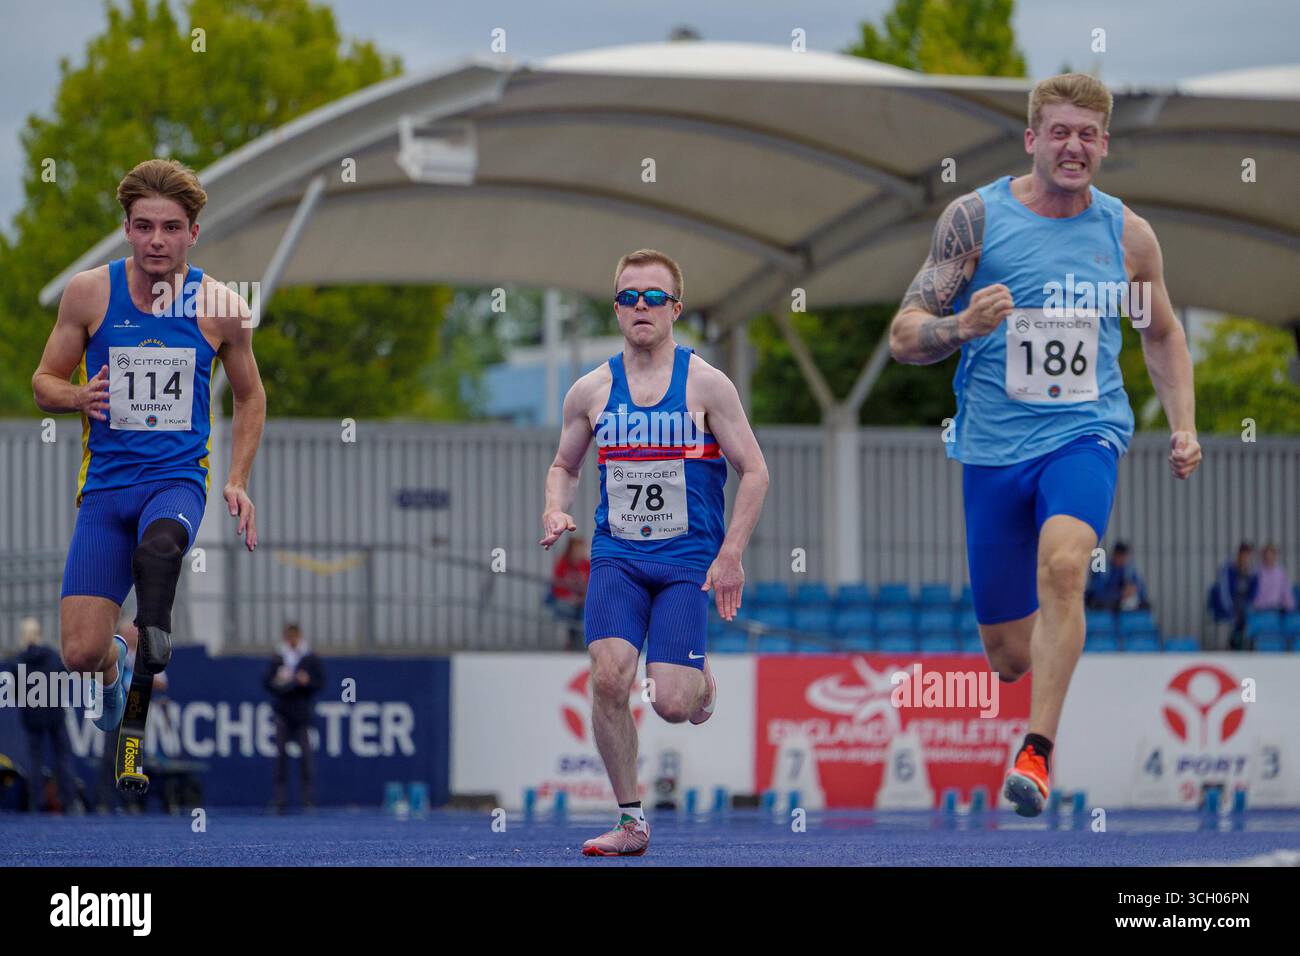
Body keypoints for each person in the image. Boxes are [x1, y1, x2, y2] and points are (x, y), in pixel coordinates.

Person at [889, 74, 1201, 817]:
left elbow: (1161, 334)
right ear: (1031, 139)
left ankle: (1036, 752)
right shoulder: (976, 222)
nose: (1074, 146)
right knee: (1008, 655)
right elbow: (904, 336)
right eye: (1060, 131)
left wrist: (1183, 422)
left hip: (1083, 434)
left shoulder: (1126, 237)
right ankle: (1030, 686)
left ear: (1103, 145)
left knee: (1065, 567)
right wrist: (962, 326)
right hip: (993, 451)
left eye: (1088, 134)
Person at [32, 159, 265, 791]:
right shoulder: (90, 293)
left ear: (194, 232)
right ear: (127, 230)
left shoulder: (222, 307)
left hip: (175, 480)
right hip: (105, 491)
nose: (156, 240)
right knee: (80, 652)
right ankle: (121, 665)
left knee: (160, 550)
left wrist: (237, 478)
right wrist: (80, 397)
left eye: (170, 227)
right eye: (143, 227)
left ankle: (145, 680)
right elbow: (43, 383)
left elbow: (250, 397)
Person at [540, 249, 769, 855]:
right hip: (616, 555)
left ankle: (700, 683)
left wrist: (731, 554)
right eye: (629, 297)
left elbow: (755, 472)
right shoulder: (591, 390)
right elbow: (564, 465)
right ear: (616, 307)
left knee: (671, 704)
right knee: (610, 678)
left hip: (688, 559)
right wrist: (555, 507)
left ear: (676, 308)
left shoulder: (706, 384)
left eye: (654, 297)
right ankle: (630, 821)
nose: (641, 307)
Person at [1, 618, 78, 812]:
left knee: (34, 761)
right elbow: (65, 676)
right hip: (54, 714)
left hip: (32, 715)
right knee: (63, 758)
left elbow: (13, 689)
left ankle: (37, 802)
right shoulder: (53, 656)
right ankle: (68, 800)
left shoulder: (16, 661)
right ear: (39, 633)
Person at [263, 622, 324, 812]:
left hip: (302, 715)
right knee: (281, 760)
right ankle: (281, 801)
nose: (292, 641)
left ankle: (308, 801)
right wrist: (279, 682)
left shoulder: (310, 658)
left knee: (306, 759)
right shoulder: (278, 658)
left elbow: (319, 682)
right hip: (283, 714)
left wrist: (306, 682)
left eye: (294, 637)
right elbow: (266, 682)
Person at [1209, 543, 1259, 650]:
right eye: (1244, 556)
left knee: (1248, 627)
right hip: (1226, 612)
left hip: (1243, 612)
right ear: (1239, 555)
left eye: (1248, 557)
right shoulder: (1228, 570)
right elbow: (1224, 594)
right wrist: (1231, 611)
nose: (1246, 560)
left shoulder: (1252, 573)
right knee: (1223, 637)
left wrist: (1247, 610)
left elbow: (1253, 595)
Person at [548, 536, 591, 650]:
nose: (580, 552)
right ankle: (566, 644)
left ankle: (584, 645)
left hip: (582, 601)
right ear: (570, 549)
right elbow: (557, 586)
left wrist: (583, 597)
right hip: (566, 600)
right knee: (565, 610)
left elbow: (592, 585)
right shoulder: (562, 563)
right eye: (577, 549)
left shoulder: (587, 564)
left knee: (588, 612)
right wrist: (569, 597)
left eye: (582, 549)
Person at [1085, 540, 1149, 612]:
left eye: (1125, 556)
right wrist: (1120, 594)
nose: (1123, 559)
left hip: (1122, 606)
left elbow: (1140, 589)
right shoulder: (1102, 567)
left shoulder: (1128, 569)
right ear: (1114, 555)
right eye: (1121, 556)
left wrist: (1134, 590)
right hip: (1104, 605)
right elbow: (1097, 593)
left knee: (1145, 605)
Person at [1252, 544, 1295, 613]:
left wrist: (1289, 607)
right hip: (1260, 609)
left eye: (1271, 555)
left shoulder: (1281, 573)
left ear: (1275, 556)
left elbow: (1286, 592)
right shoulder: (1256, 572)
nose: (1268, 558)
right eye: (1266, 556)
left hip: (1277, 609)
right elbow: (1253, 594)